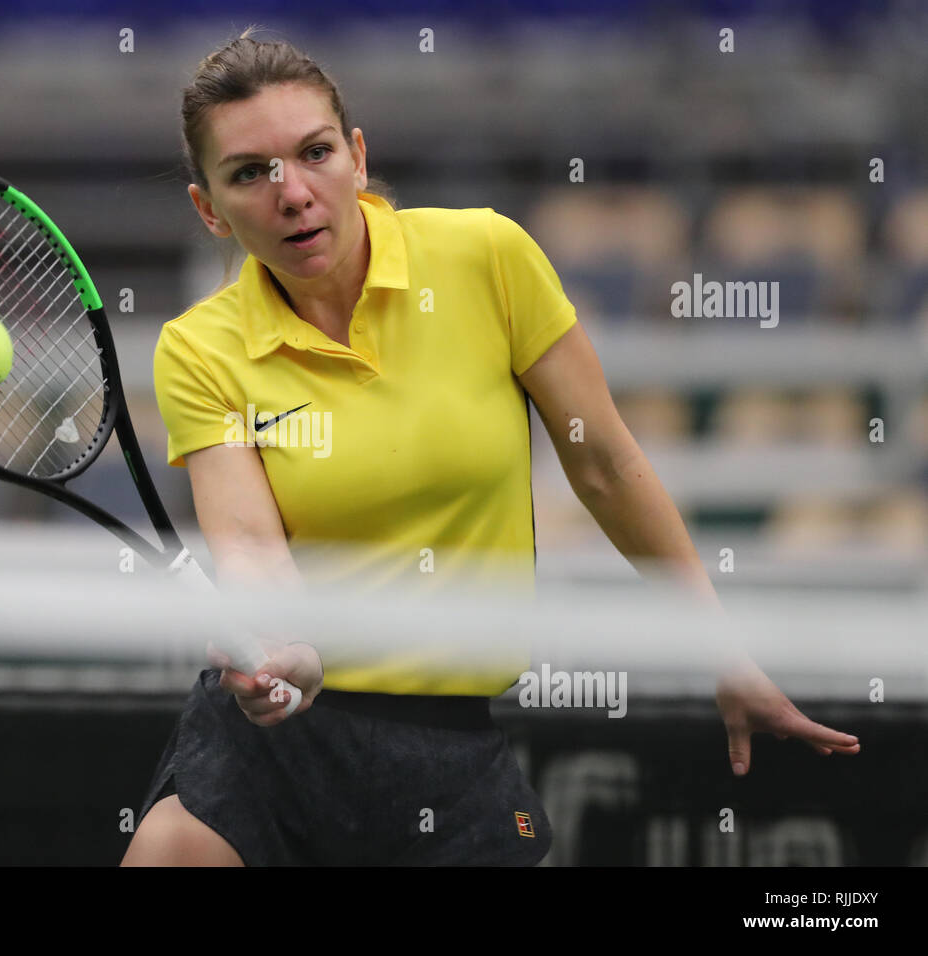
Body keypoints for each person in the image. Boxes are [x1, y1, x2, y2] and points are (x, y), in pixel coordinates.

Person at [120, 29, 860, 867]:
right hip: (269, 744)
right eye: (249, 172)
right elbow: (250, 543)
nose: (292, 192)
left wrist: (722, 650)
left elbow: (605, 464)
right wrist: (284, 638)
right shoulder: (198, 348)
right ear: (208, 208)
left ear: (357, 158)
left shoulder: (487, 258)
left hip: (446, 744)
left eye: (314, 152)